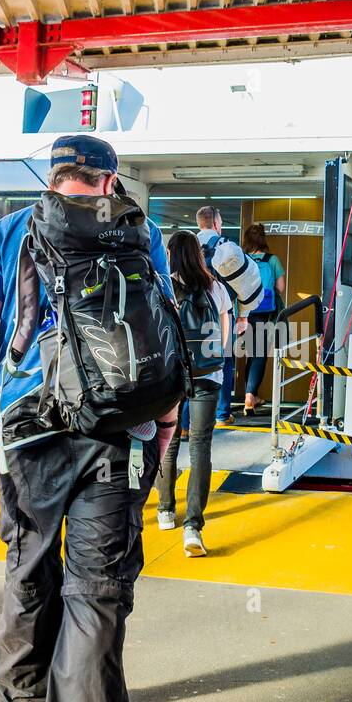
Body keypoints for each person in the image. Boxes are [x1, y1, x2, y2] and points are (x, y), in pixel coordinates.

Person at [0, 134, 176, 702]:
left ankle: (24, 698)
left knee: (29, 561)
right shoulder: (138, 230)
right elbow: (160, 329)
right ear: (109, 181)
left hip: (26, 428)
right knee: (96, 594)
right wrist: (165, 424)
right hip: (116, 427)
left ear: (51, 179)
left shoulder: (10, 232)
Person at [156, 231, 230, 557]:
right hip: (208, 375)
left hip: (172, 376)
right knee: (200, 445)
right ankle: (193, 527)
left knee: (169, 441)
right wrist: (217, 357)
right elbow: (226, 327)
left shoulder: (164, 285)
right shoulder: (215, 286)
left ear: (171, 253)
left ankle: (165, 510)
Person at [195, 205, 249, 425]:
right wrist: (243, 315)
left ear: (199, 223)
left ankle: (185, 424)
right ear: (217, 224)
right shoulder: (227, 247)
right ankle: (221, 414)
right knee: (224, 363)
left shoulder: (186, 244)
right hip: (221, 314)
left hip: (191, 315)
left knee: (192, 364)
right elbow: (242, 283)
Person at [240, 222, 286, 416]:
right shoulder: (272, 260)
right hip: (264, 311)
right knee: (259, 354)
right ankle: (250, 396)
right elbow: (281, 287)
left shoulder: (242, 259)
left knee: (252, 353)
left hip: (244, 312)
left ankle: (253, 394)